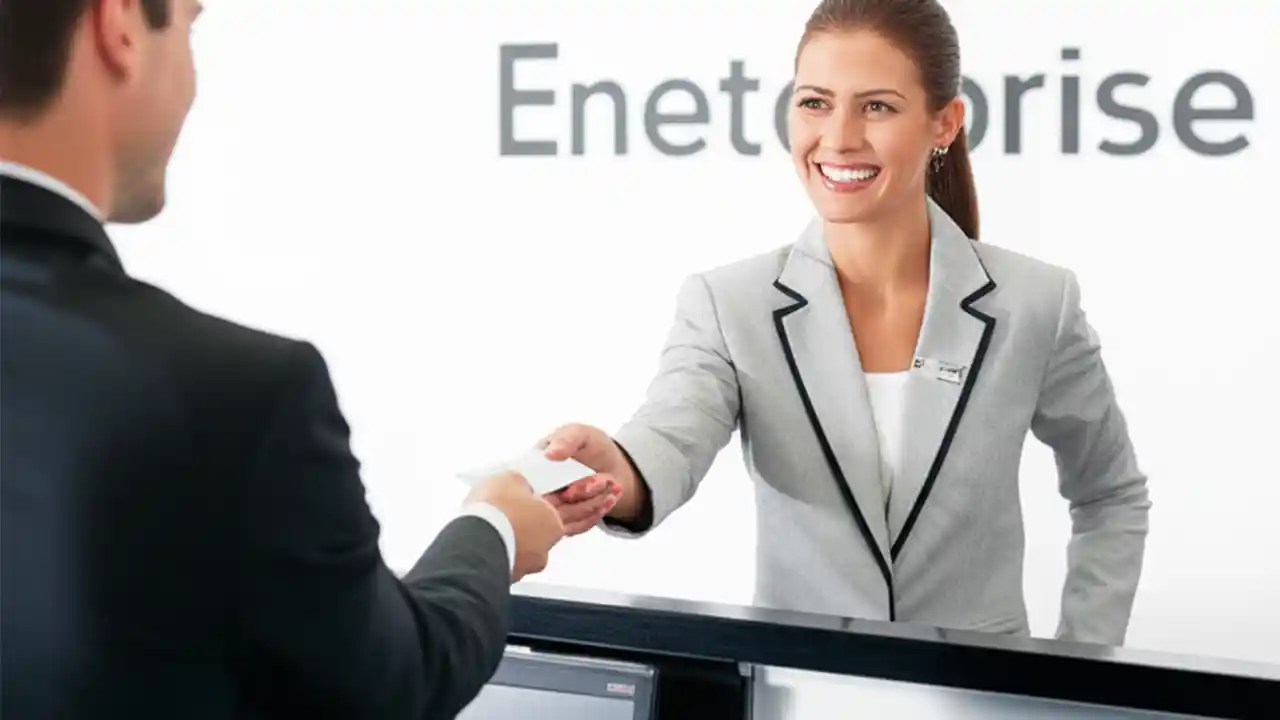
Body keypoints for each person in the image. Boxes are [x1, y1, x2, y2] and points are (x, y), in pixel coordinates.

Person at [0, 1, 566, 717]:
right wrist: (493, 527)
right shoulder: (234, 395)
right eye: (190, 26)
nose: (193, 80)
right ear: (119, 27)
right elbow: (395, 685)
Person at [544, 0, 1151, 647]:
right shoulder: (729, 303)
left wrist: (1079, 663)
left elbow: (1110, 494)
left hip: (978, 689)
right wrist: (615, 471)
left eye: (877, 107)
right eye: (815, 103)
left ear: (944, 123)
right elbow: (670, 437)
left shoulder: (1035, 302)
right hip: (799, 684)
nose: (838, 138)